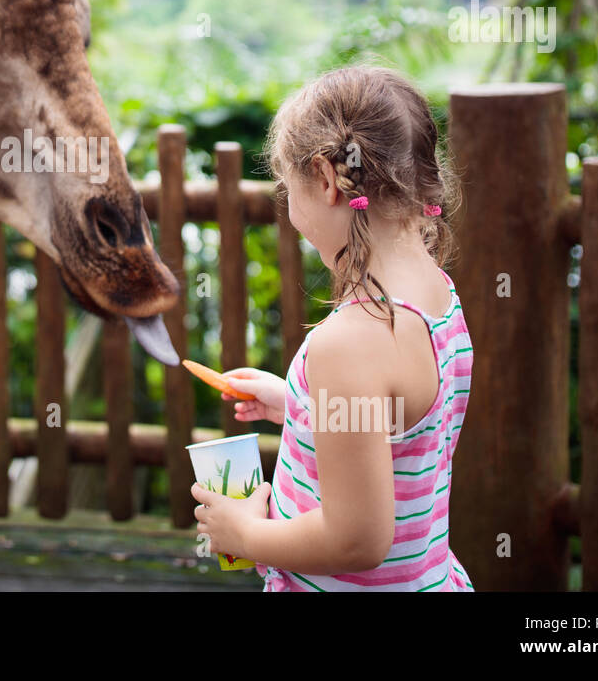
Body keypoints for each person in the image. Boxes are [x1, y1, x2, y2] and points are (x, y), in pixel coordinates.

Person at [192, 63, 475, 591]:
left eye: (287, 188)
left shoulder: (350, 342)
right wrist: (301, 405)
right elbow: (398, 427)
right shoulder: (436, 294)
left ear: (325, 179)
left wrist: (244, 534)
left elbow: (357, 539)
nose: (290, 212)